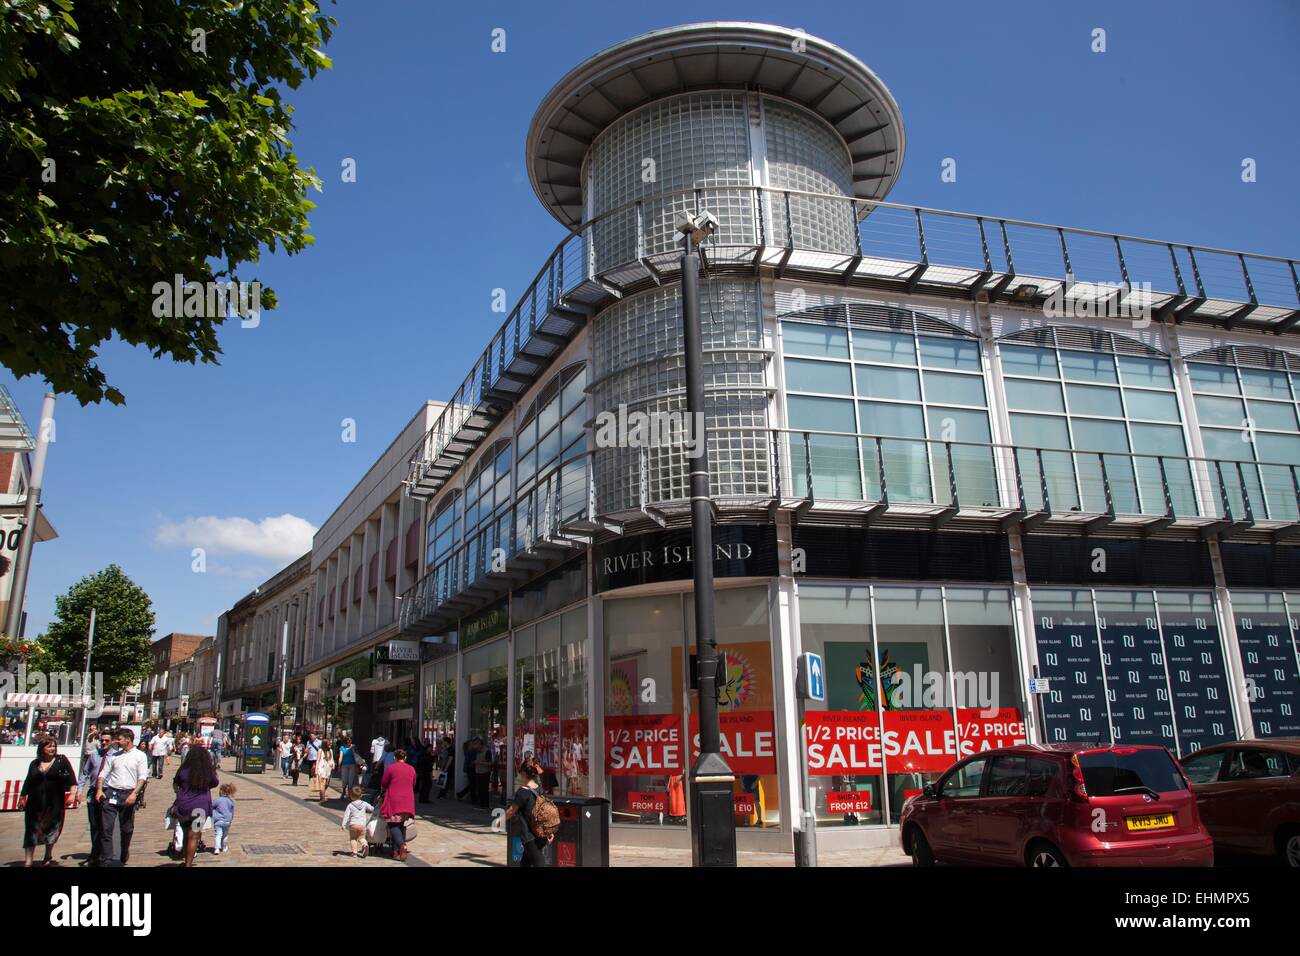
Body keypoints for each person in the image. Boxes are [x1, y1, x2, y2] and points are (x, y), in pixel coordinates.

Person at [18, 735, 79, 867]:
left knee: (51, 829)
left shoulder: (61, 760)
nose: (52, 749)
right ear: (42, 748)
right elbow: (28, 781)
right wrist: (22, 797)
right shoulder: (34, 763)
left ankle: (48, 855)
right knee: (31, 830)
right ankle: (28, 860)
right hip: (34, 803)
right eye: (49, 746)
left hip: (54, 803)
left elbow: (72, 779)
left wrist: (72, 795)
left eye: (54, 746)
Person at [95, 727, 149, 866]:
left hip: (128, 793)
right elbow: (102, 774)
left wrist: (134, 794)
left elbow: (142, 777)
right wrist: (99, 790)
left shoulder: (139, 755)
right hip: (112, 792)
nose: (116, 741)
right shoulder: (113, 756)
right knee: (106, 828)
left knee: (126, 828)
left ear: (128, 740)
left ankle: (124, 850)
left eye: (119, 739)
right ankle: (107, 858)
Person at [171, 745, 218, 867]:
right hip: (200, 807)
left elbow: (176, 783)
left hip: (184, 806)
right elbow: (215, 782)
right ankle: (188, 863)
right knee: (194, 836)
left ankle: (185, 859)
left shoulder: (184, 769)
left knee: (186, 834)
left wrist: (179, 792)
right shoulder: (207, 770)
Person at [504, 757, 553, 868]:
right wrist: (549, 830)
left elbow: (511, 811)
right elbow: (545, 811)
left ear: (523, 773)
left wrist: (499, 820)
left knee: (539, 863)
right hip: (541, 834)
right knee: (526, 861)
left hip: (529, 836)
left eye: (520, 772)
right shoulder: (540, 789)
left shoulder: (522, 792)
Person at [77, 728, 115, 867]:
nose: (104, 743)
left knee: (105, 826)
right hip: (93, 792)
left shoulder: (116, 756)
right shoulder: (94, 755)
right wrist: (79, 789)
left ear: (112, 742)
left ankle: (103, 855)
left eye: (107, 740)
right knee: (94, 825)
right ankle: (95, 854)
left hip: (108, 792)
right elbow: (85, 773)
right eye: (102, 740)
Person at [379, 748, 416, 862]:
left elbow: (384, 783)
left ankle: (401, 845)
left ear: (394, 757)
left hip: (394, 799)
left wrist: (382, 793)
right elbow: (414, 783)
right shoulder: (411, 769)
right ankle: (395, 851)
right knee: (400, 824)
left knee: (393, 824)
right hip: (407, 799)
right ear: (405, 758)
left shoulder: (391, 768)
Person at [341, 785, 374, 859]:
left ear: (351, 796)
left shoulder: (350, 805)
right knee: (361, 838)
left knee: (353, 839)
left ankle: (354, 853)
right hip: (362, 825)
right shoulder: (364, 803)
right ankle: (365, 845)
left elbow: (346, 815)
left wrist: (343, 824)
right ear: (361, 795)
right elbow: (372, 809)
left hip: (353, 825)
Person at [211, 783, 236, 854]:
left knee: (218, 834)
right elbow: (232, 811)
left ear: (221, 791)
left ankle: (217, 848)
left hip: (218, 821)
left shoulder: (218, 800)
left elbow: (211, 805)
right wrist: (231, 819)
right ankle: (224, 847)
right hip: (227, 821)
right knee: (225, 835)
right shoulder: (230, 801)